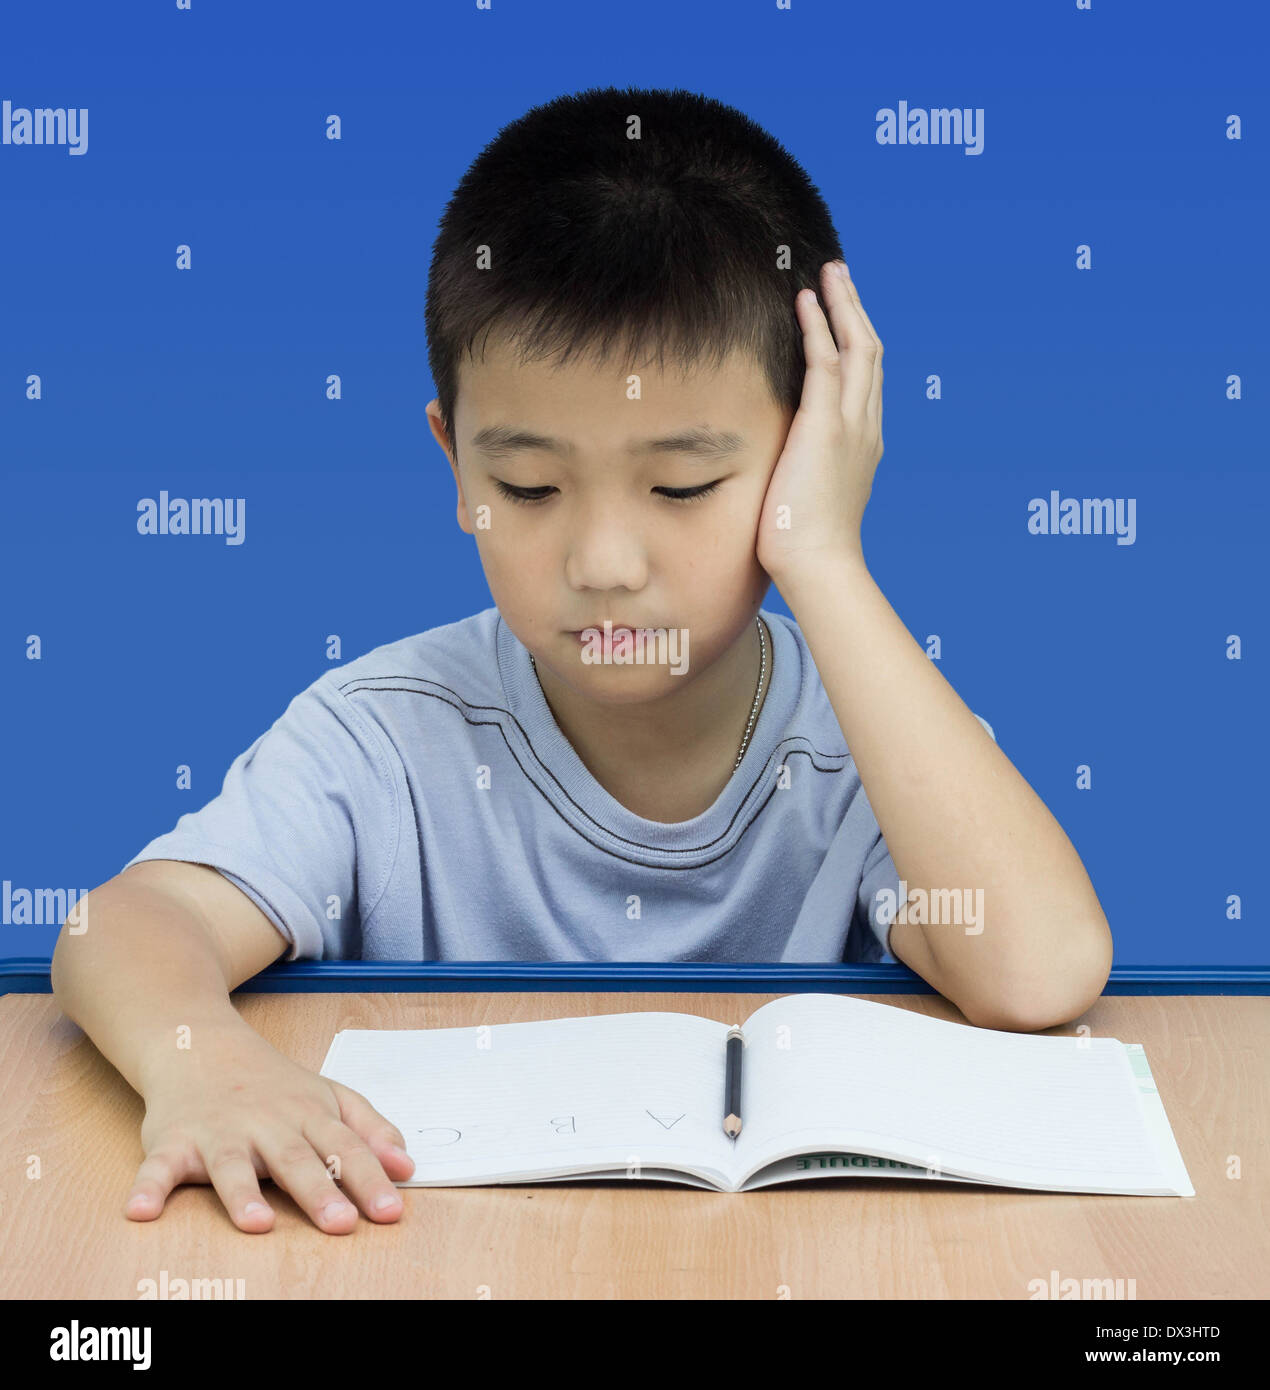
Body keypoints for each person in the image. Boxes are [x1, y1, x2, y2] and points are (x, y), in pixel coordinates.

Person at [51, 86, 1112, 1237]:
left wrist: (827, 559)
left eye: (682, 486)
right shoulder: (382, 735)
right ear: (455, 463)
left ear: (809, 449)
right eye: (530, 488)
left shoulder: (872, 737)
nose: (604, 563)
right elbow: (122, 926)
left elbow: (1039, 971)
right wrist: (204, 1064)